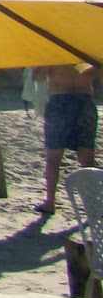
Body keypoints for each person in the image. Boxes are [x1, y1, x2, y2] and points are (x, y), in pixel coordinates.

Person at [33, 62, 99, 215]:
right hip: (85, 102)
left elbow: (38, 77)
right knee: (87, 158)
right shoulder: (84, 53)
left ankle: (50, 202)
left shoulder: (55, 53)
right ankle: (93, 204)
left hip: (60, 102)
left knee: (54, 157)